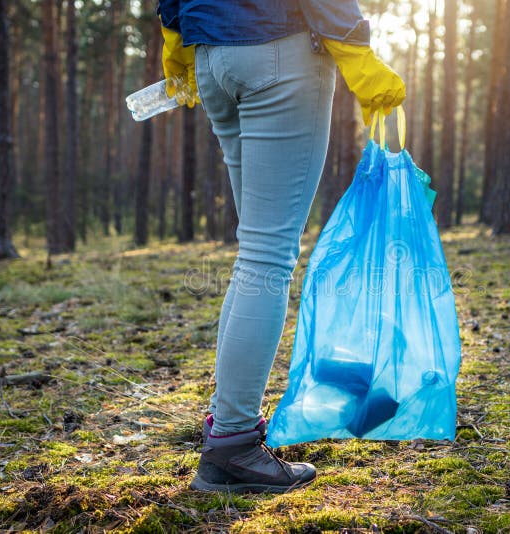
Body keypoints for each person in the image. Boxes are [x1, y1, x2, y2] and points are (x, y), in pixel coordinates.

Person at [157, 0, 405, 494]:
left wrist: (174, 38)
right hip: (277, 50)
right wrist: (357, 52)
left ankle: (226, 429)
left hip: (211, 57)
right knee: (266, 258)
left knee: (255, 254)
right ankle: (231, 443)